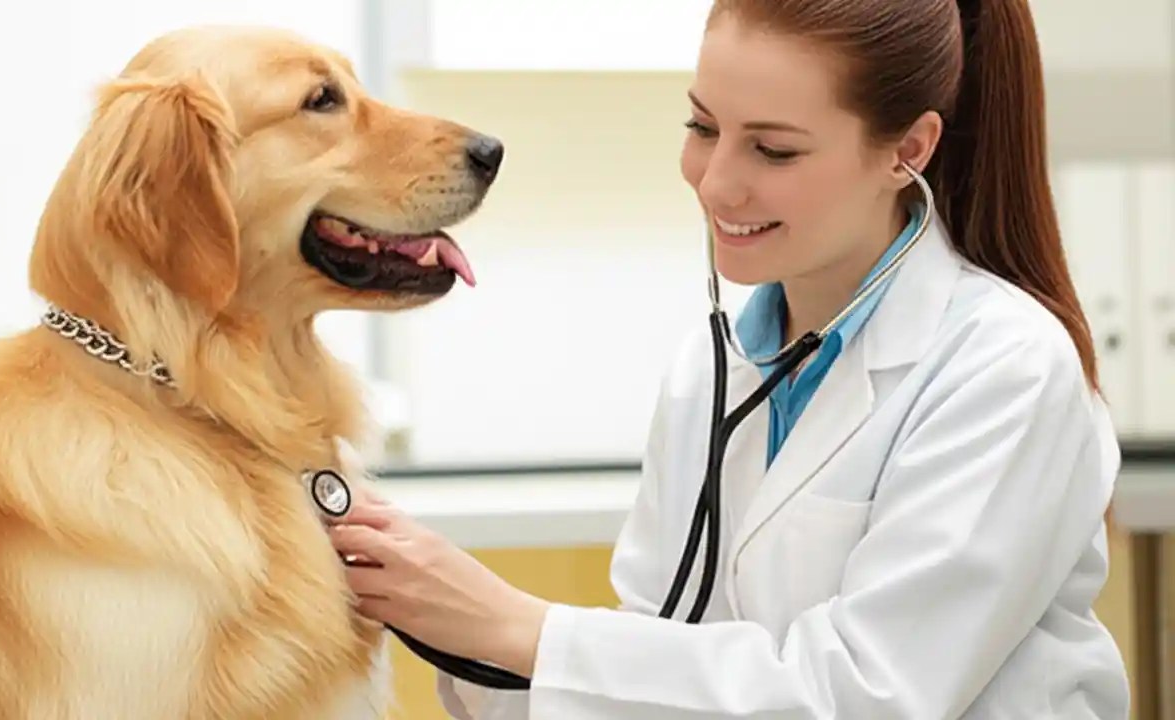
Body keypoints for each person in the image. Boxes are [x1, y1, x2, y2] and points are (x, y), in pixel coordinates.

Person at [326, 0, 1132, 717]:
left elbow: (867, 695)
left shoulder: (1005, 370)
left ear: (908, 149)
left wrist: (517, 626)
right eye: (702, 128)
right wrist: (448, 619)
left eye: (773, 151)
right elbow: (653, 671)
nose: (715, 183)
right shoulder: (716, 366)